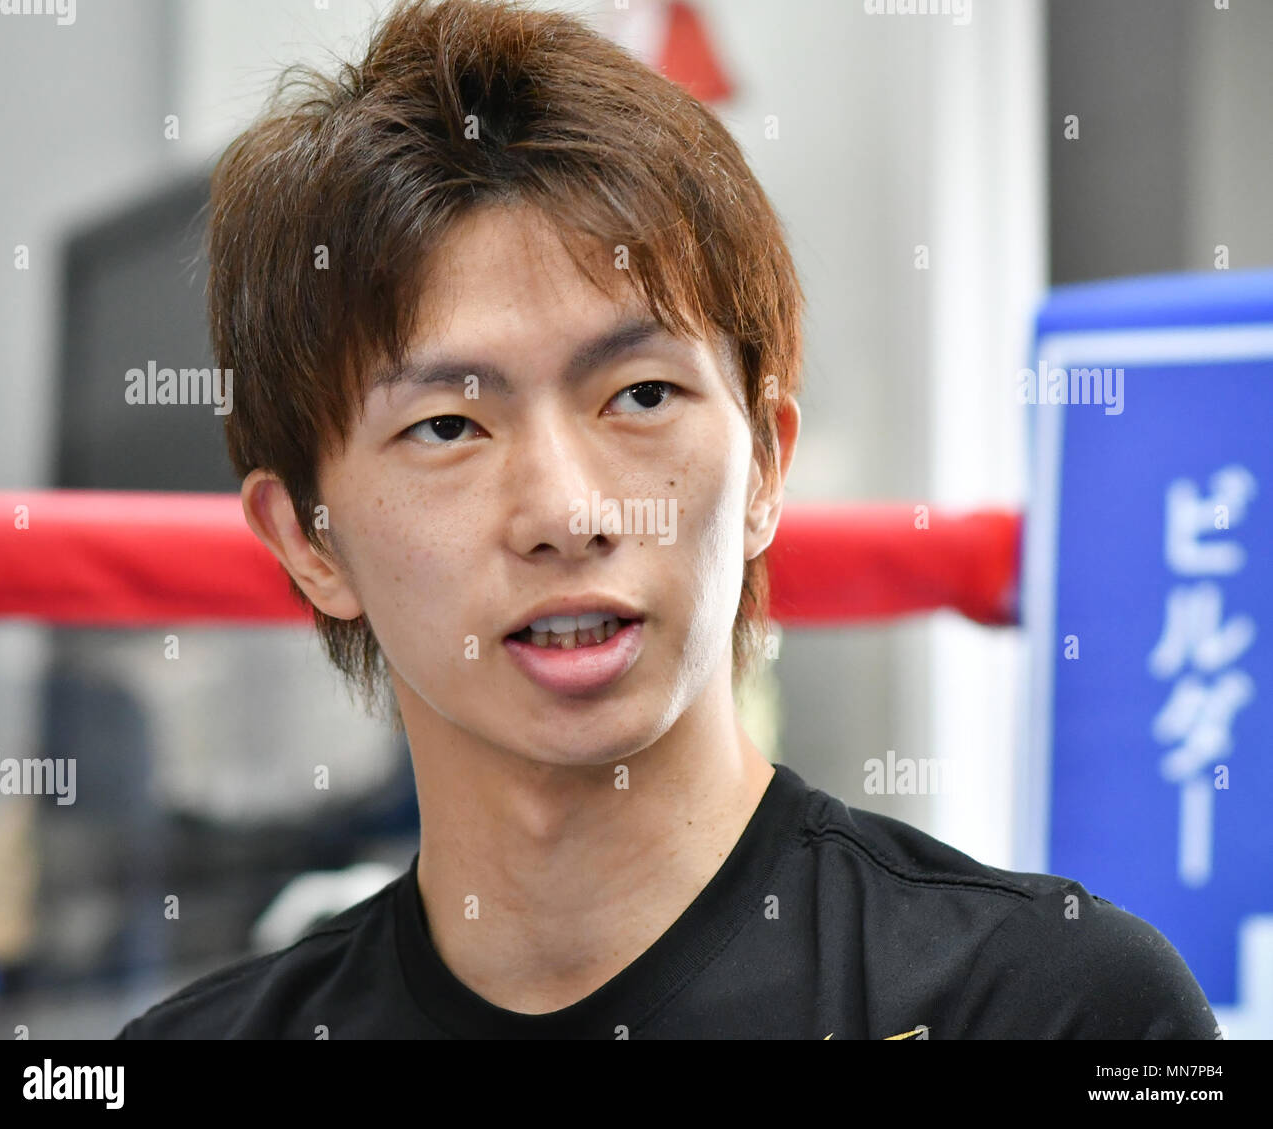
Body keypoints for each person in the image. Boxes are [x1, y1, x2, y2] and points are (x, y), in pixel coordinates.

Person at [117, 0, 1216, 1039]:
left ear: (766, 463)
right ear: (307, 539)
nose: (569, 512)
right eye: (448, 425)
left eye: (641, 395)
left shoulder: (1050, 1006)